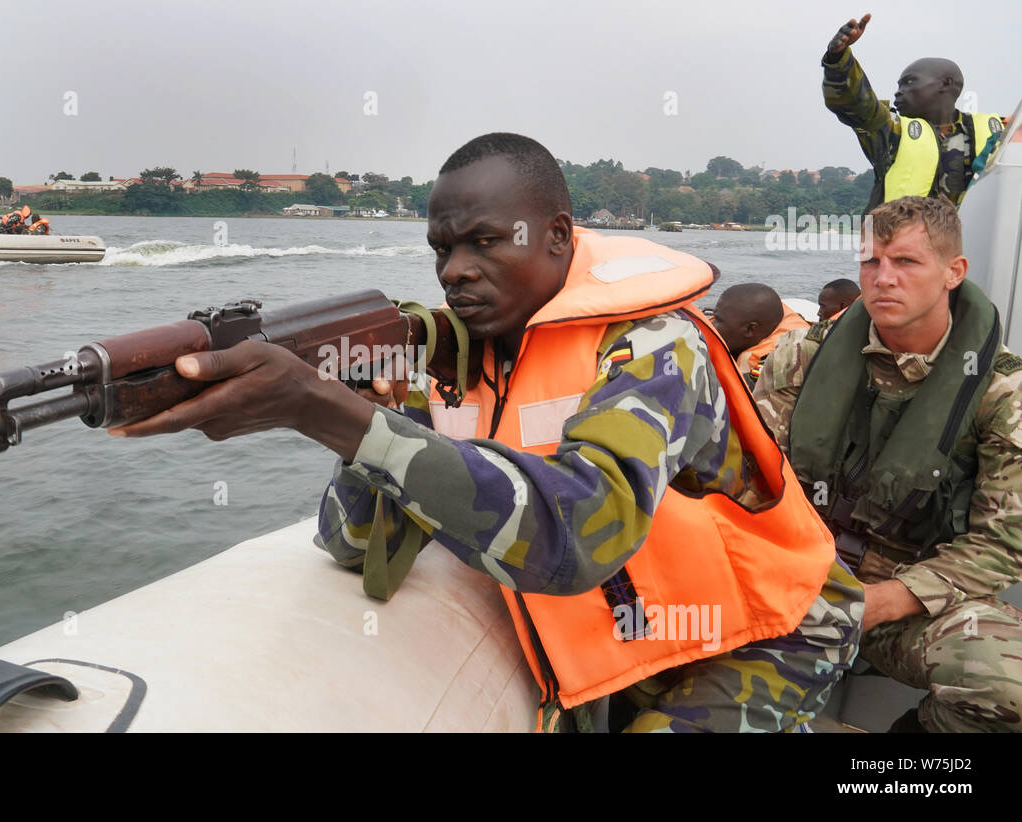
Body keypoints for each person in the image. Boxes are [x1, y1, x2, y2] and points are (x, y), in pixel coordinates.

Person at [108, 133, 863, 733]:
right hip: (644, 626)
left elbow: (578, 538)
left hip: (772, 626)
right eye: (442, 249)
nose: (456, 272)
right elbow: (349, 544)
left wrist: (319, 408)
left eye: (485, 242)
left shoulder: (657, 344)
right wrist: (376, 416)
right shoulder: (466, 354)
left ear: (559, 237)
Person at [753, 195, 1022, 733]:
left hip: (908, 602)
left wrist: (890, 599)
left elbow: (1001, 544)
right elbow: (753, 482)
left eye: (906, 262)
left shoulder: (1001, 391)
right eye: (871, 261)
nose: (883, 278)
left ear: (954, 272)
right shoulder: (800, 358)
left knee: (1007, 685)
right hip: (792, 578)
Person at [823, 14, 1008, 211]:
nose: (898, 91)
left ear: (946, 84)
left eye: (909, 82)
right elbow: (856, 104)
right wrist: (837, 61)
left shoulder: (1002, 132)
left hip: (972, 241)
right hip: (904, 240)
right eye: (899, 85)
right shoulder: (891, 131)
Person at [710, 283, 810, 387]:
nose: (712, 325)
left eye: (718, 320)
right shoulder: (761, 328)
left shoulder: (770, 374)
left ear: (750, 329)